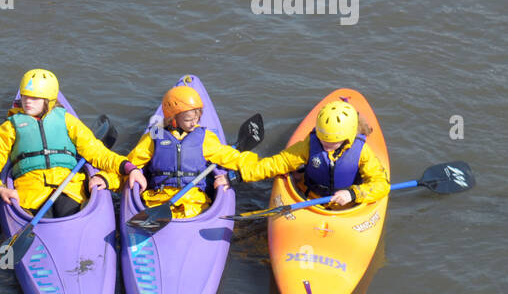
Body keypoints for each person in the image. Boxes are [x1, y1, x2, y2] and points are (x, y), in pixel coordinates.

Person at [0, 69, 145, 217]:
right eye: (25, 96)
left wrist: (130, 168)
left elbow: (97, 153)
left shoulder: (67, 121)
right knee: (44, 222)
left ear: (49, 101)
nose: (28, 102)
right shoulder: (9, 128)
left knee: (72, 215)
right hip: (29, 192)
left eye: (34, 98)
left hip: (69, 187)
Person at [122, 84, 256, 219]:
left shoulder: (204, 138)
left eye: (197, 119)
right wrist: (107, 179)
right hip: (158, 199)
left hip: (195, 203)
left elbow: (230, 157)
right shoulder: (154, 136)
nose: (194, 123)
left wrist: (258, 165)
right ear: (172, 119)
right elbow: (129, 164)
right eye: (188, 120)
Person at [240, 97, 390, 207]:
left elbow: (382, 184)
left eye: (333, 142)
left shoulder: (362, 152)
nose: (326, 145)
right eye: (323, 139)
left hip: (346, 205)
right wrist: (240, 175)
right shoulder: (309, 145)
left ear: (347, 136)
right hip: (310, 198)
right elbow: (276, 163)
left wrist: (353, 194)